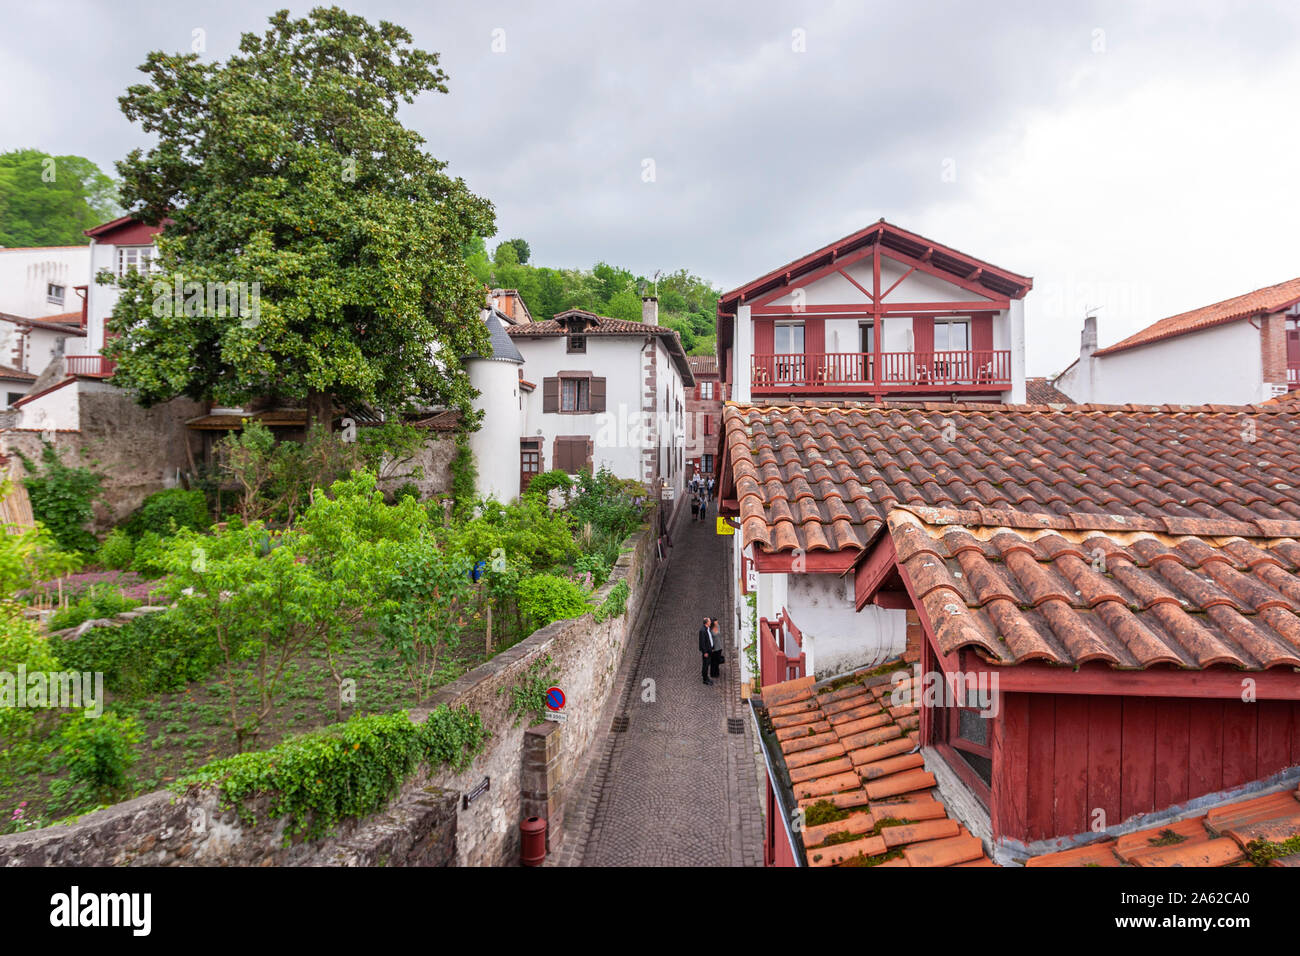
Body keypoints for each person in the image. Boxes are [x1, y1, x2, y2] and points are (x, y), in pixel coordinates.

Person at [698, 617, 715, 685]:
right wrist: (705, 652)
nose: (710, 622)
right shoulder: (702, 631)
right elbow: (702, 642)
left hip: (709, 650)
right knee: (705, 664)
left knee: (707, 664)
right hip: (706, 651)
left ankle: (706, 677)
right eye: (709, 621)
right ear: (706, 623)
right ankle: (705, 679)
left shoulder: (707, 629)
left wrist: (712, 647)